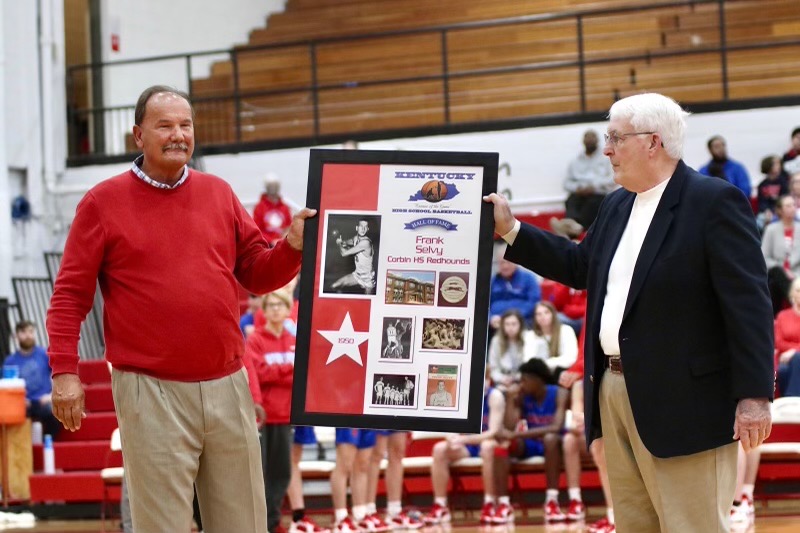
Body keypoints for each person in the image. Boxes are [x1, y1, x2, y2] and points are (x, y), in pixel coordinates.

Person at [484, 92, 773, 532]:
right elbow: (580, 267)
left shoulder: (714, 202)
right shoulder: (617, 203)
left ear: (653, 142)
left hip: (687, 402)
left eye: (615, 137)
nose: (607, 149)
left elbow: (749, 305)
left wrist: (755, 395)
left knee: (692, 526)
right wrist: (512, 229)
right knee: (636, 526)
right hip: (615, 393)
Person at [45, 85, 316, 533]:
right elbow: (70, 295)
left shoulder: (219, 193)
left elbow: (255, 272)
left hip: (228, 383)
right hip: (150, 392)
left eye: (185, 125)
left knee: (245, 523)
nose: (178, 135)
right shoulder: (101, 203)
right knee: (163, 527)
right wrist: (64, 370)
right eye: (164, 125)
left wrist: (290, 247)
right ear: (138, 135)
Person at [243, 289, 297, 533]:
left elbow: (299, 376)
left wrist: (275, 371)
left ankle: (273, 522)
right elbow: (258, 373)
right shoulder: (255, 340)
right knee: (260, 476)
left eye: (280, 305)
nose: (275, 309)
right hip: (263, 417)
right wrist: (287, 369)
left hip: (286, 415)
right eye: (271, 305)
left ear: (288, 310)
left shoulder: (295, 339)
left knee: (281, 473)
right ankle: (258, 525)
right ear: (263, 311)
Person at [423, 369, 506, 526]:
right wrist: (451, 438)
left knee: (488, 447)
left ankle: (490, 503)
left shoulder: (495, 396)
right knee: (439, 449)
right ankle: (440, 505)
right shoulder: (459, 394)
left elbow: (493, 432)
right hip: (467, 445)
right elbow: (450, 425)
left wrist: (464, 438)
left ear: (488, 379)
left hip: (490, 442)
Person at [496, 358, 569, 524]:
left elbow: (556, 427)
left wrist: (516, 435)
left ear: (538, 380)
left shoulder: (559, 392)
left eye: (525, 380)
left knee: (550, 439)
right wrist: (510, 399)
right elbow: (509, 427)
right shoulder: (523, 396)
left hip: (555, 445)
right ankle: (504, 504)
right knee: (502, 445)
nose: (521, 384)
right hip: (531, 443)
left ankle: (552, 500)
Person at [559, 325, 616, 533]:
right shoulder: (580, 384)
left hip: (620, 377)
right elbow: (589, 347)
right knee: (598, 448)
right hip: (602, 378)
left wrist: (577, 368)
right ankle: (612, 517)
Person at [552, 129, 615, 236]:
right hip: (579, 193)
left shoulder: (606, 159)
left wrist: (593, 187)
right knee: (571, 201)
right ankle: (570, 227)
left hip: (598, 193)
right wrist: (577, 188)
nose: (590, 140)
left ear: (597, 140)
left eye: (592, 137)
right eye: (587, 137)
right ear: (583, 141)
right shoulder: (575, 161)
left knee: (591, 204)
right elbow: (567, 183)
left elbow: (612, 179)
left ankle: (572, 229)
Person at [3, 321, 60, 438]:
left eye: (30, 331)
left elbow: (59, 375)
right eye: (23, 332)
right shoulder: (10, 361)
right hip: (23, 403)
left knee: (54, 414)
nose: (28, 335)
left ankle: (47, 444)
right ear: (16, 336)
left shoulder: (45, 354)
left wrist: (50, 396)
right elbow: (6, 387)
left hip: (44, 401)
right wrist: (19, 399)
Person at [329, 429, 383, 533]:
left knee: (363, 464)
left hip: (367, 417)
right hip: (349, 416)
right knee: (344, 464)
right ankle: (340, 517)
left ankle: (360, 515)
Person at [366, 431, 422, 530]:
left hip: (398, 416)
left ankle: (394, 511)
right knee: (376, 453)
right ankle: (369, 511)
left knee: (398, 451)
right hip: (380, 416)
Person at [287, 427, 330, 533]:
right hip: (279, 416)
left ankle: (298, 518)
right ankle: (274, 521)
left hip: (296, 414)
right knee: (288, 458)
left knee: (294, 457)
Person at [762, 195, 800, 315]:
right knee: (776, 276)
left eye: (794, 205)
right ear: (779, 210)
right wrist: (783, 269)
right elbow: (764, 257)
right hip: (777, 272)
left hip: (797, 273)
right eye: (788, 206)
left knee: (775, 284)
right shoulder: (771, 229)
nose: (792, 208)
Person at [489, 252, 540, 332]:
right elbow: (484, 305)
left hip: (522, 320)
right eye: (502, 263)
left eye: (508, 262)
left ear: (516, 262)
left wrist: (514, 317)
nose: (505, 266)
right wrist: (490, 318)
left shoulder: (529, 278)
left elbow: (533, 302)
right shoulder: (493, 281)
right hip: (496, 322)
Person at [529, 301, 578, 379]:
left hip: (561, 372)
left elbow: (570, 358)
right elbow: (529, 360)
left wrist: (545, 363)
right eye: (539, 314)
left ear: (553, 314)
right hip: (538, 375)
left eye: (546, 312)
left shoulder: (566, 330)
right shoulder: (530, 335)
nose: (543, 316)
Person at [332, 219, 376, 294]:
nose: (363, 229)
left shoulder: (366, 243)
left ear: (368, 229)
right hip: (357, 275)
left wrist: (339, 244)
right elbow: (348, 242)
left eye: (365, 227)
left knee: (367, 302)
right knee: (335, 286)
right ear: (357, 228)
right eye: (361, 226)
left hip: (367, 279)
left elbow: (344, 253)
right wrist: (342, 241)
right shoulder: (356, 238)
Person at [774, 277, 800, 397]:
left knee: (797, 358)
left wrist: (794, 352)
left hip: (793, 357)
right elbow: (778, 342)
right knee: (784, 370)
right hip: (784, 359)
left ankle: (791, 398)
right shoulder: (783, 316)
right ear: (792, 294)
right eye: (798, 290)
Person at [253, 175, 293, 245]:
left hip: (282, 244)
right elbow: (257, 230)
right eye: (270, 186)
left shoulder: (285, 207)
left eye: (275, 186)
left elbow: (289, 227)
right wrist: (271, 241)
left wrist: (283, 239)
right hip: (266, 244)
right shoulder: (259, 207)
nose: (273, 189)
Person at [755, 155, 788, 231]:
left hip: (780, 210)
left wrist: (774, 211)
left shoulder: (783, 182)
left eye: (779, 163)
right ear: (768, 165)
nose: (778, 166)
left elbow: (784, 199)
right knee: (758, 222)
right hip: (766, 212)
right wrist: (766, 210)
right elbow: (762, 201)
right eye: (775, 164)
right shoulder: (762, 184)